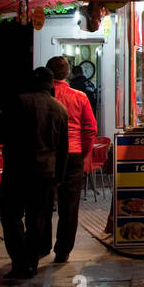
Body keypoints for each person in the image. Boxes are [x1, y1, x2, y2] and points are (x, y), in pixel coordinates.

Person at [0, 67, 68, 279]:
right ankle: (31, 263)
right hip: (45, 173)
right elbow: (63, 148)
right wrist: (59, 178)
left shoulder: (20, 102)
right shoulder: (60, 109)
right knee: (37, 219)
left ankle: (19, 261)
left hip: (17, 171)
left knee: (11, 217)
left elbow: (5, 132)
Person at [47, 55, 97, 264]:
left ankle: (41, 246)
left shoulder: (44, 96)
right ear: (67, 73)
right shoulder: (79, 96)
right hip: (73, 153)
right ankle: (63, 250)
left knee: (42, 201)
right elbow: (90, 128)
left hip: (47, 153)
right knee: (70, 204)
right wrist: (84, 152)